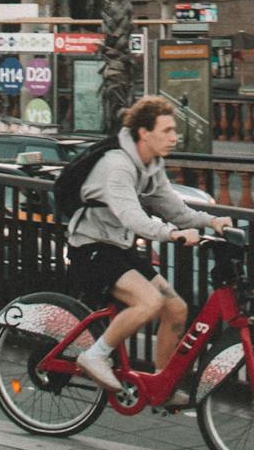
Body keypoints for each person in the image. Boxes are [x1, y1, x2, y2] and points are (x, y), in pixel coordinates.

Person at [66, 96, 232, 399]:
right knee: (149, 302)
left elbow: (175, 210)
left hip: (120, 248)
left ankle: (161, 386)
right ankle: (95, 354)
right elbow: (132, 217)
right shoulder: (117, 164)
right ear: (144, 132)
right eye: (166, 130)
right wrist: (172, 235)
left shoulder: (152, 165)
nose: (174, 137)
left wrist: (211, 221)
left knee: (176, 308)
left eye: (174, 130)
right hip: (91, 247)